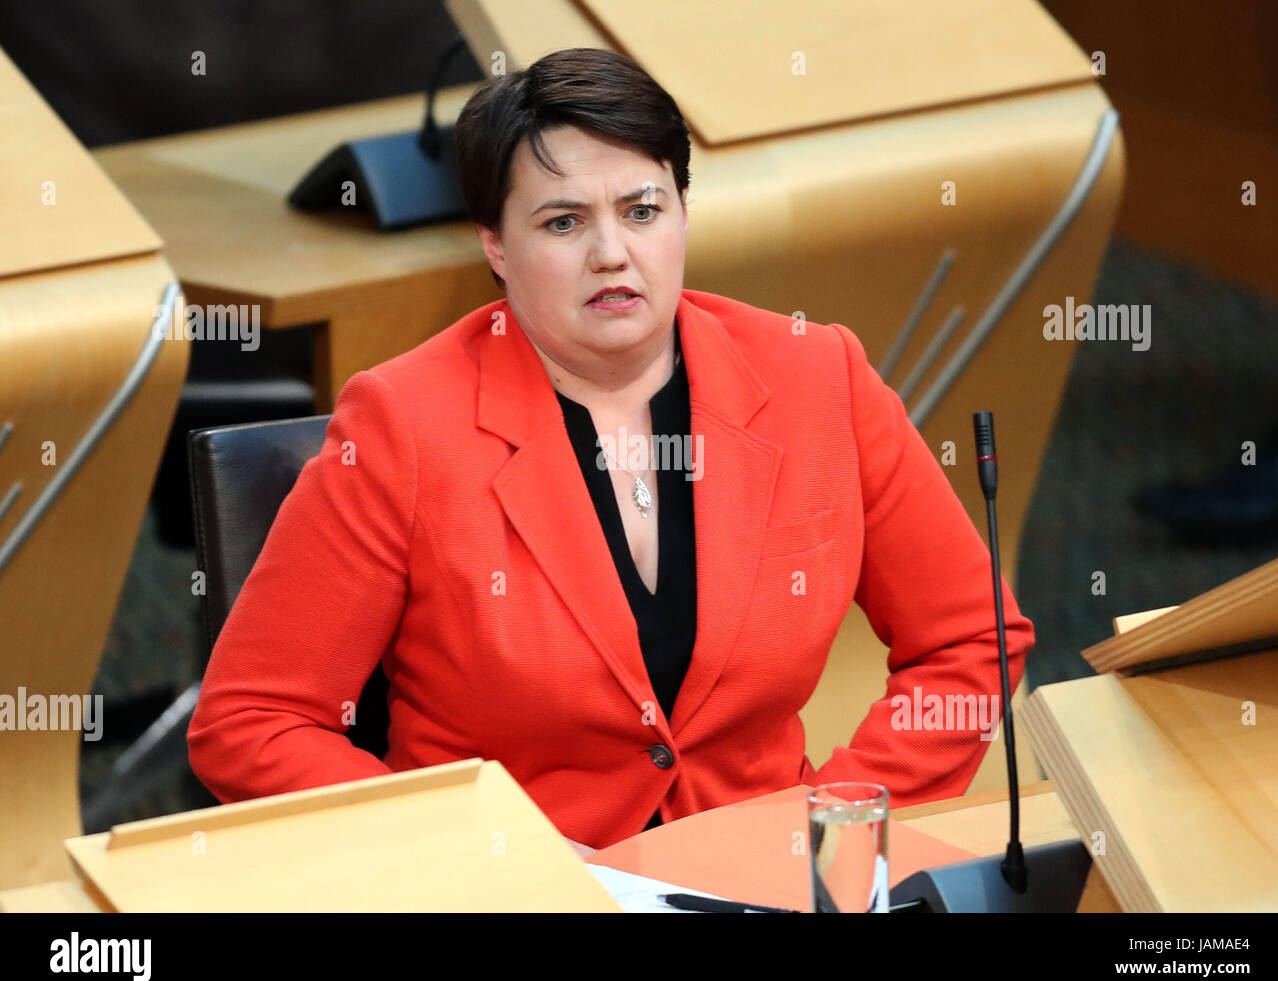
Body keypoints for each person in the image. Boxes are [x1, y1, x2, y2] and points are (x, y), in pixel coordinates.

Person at [187, 47, 1034, 854]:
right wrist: (464, 860)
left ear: (683, 212)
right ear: (495, 246)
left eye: (641, 209)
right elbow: (252, 723)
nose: (612, 254)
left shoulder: (819, 377)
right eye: (563, 222)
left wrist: (838, 828)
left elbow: (972, 640)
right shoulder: (402, 426)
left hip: (767, 877)